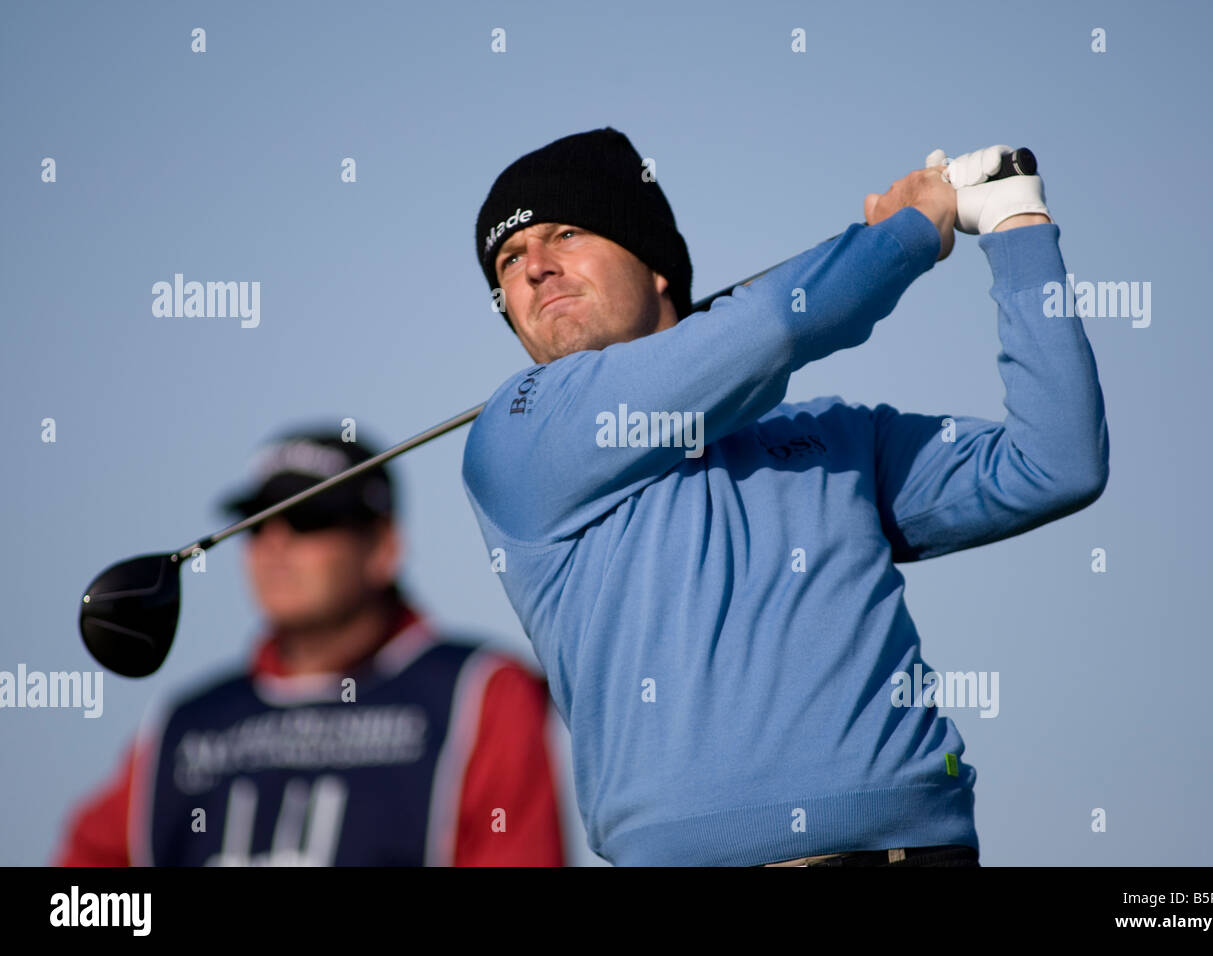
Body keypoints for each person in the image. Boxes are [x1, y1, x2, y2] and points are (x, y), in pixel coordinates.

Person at [460, 127, 1109, 866]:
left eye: (566, 233)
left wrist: (1016, 226)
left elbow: (1055, 463)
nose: (536, 267)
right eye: (509, 261)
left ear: (655, 266)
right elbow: (774, 326)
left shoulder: (833, 439)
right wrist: (906, 234)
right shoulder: (515, 436)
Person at [54, 426, 566, 866]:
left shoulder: (479, 694)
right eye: (256, 522)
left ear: (383, 548)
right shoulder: (183, 722)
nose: (275, 542)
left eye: (310, 519)